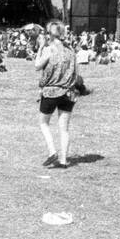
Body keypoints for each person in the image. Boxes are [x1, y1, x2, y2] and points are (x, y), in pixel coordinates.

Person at [33, 21, 80, 169]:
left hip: (51, 91)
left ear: (49, 34)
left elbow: (37, 66)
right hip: (68, 92)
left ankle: (52, 151)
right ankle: (63, 160)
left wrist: (40, 47)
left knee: (43, 123)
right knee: (64, 128)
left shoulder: (49, 50)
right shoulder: (71, 50)